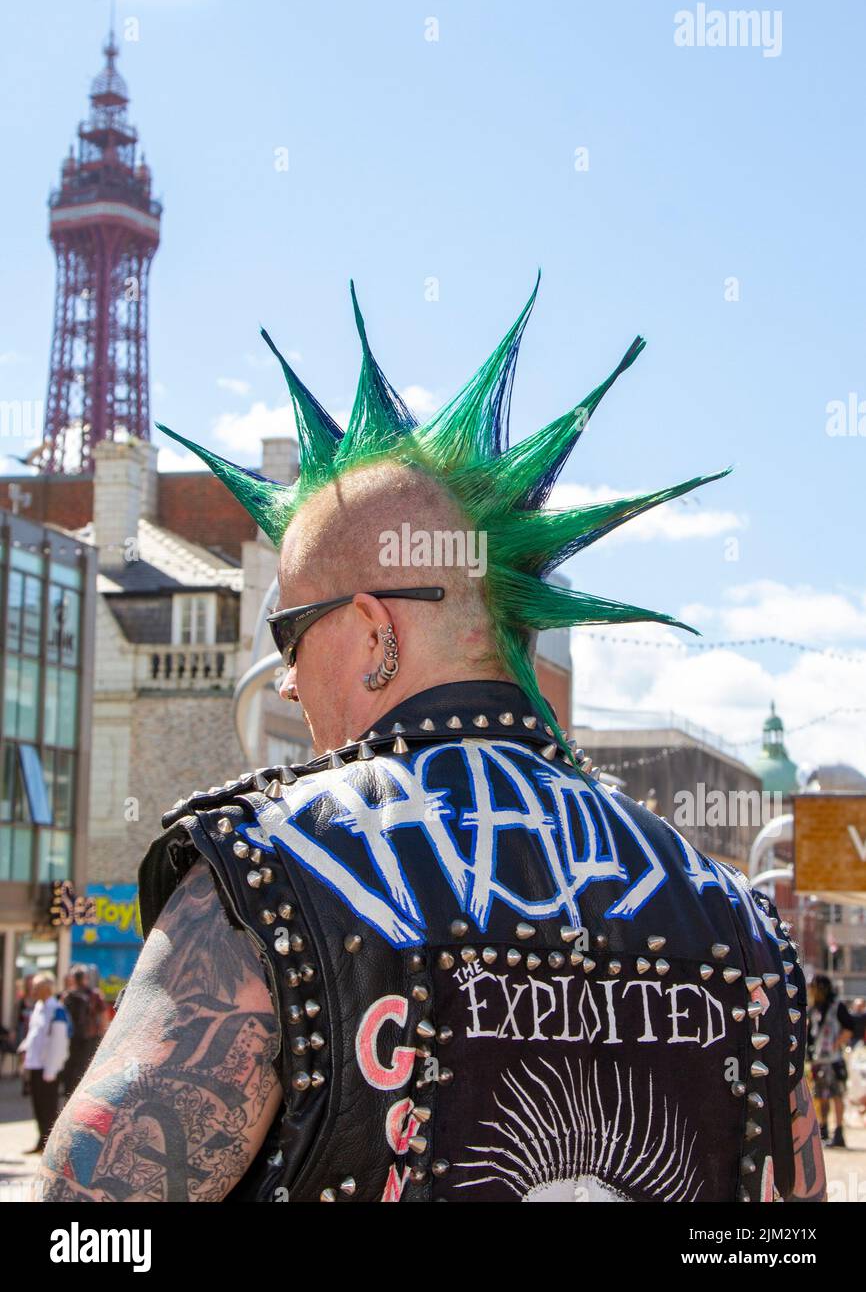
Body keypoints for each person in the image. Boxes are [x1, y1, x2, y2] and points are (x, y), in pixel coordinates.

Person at [37, 281, 823, 1202]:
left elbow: (84, 1228)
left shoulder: (271, 872)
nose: (286, 677)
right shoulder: (738, 924)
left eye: (291, 633)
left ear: (375, 637)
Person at [18, 973, 70, 1154]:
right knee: (38, 1107)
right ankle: (41, 1141)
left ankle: (49, 1146)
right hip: (34, 1064)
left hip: (47, 1067)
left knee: (48, 1108)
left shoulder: (56, 1010)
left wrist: (52, 1069)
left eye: (36, 987)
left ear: (47, 989)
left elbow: (58, 1041)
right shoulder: (38, 1007)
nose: (32, 991)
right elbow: (34, 1034)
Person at [808, 973, 853, 1147]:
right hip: (819, 1060)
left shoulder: (837, 1006)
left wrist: (835, 1044)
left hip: (834, 1060)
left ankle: (839, 1131)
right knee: (820, 1096)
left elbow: (849, 1028)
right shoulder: (815, 1008)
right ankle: (823, 1128)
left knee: (837, 1095)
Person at [62, 965, 106, 1095]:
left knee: (72, 1063)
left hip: (71, 1037)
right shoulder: (95, 994)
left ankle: (69, 1090)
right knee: (87, 1065)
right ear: (86, 978)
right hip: (90, 1036)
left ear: (74, 979)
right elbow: (103, 1016)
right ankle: (84, 1091)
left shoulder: (67, 995)